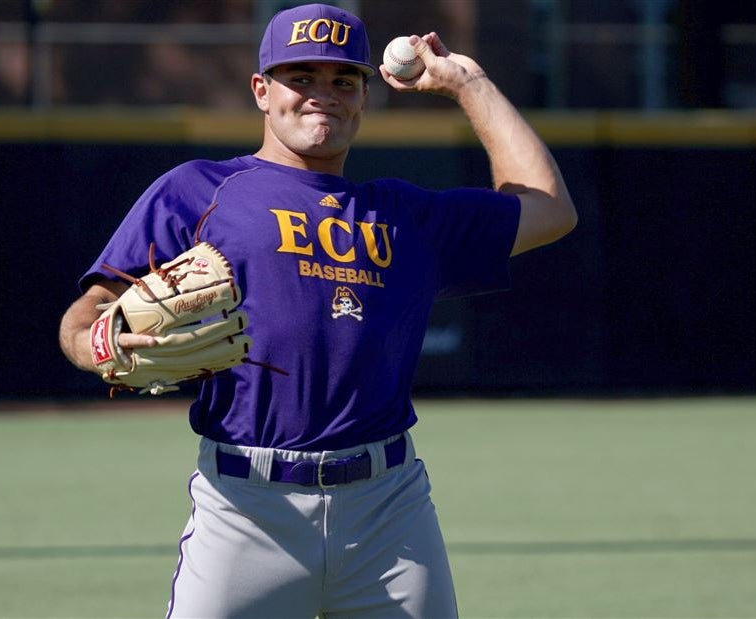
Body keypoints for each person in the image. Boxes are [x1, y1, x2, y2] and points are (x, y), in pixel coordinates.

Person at [58, 3, 576, 617]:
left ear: (364, 96)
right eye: (299, 78)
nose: (320, 96)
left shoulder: (403, 214)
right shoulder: (197, 190)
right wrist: (96, 343)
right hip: (248, 509)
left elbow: (550, 210)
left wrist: (469, 83)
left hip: (389, 513)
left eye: (341, 81)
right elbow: (88, 310)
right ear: (261, 90)